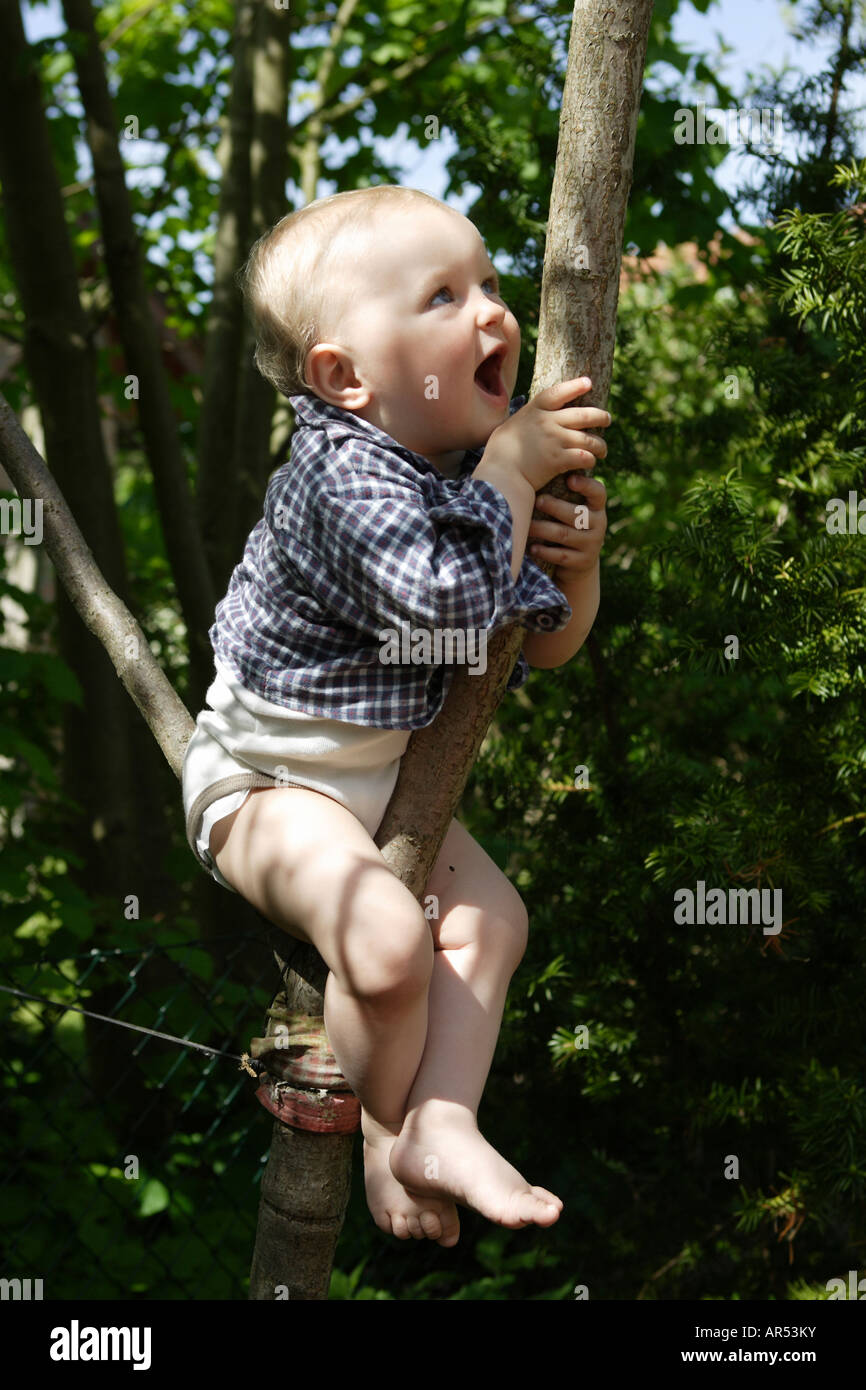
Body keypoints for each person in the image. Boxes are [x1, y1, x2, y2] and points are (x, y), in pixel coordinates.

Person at [182, 185, 609, 1247]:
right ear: (344, 379)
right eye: (441, 294)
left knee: (491, 920)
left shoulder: (464, 471)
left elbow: (543, 642)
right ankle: (382, 1132)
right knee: (383, 942)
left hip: (375, 781)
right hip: (267, 782)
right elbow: (454, 614)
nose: (491, 313)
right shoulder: (341, 476)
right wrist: (513, 469)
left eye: (491, 284)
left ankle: (441, 1118)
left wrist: (579, 565)